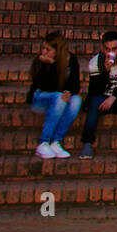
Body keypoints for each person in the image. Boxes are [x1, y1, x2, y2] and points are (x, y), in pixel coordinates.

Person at [80, 31, 117, 159]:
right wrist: (105, 72)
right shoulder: (95, 63)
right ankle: (87, 143)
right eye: (107, 49)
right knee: (94, 102)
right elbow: (94, 91)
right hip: (102, 97)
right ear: (102, 49)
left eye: (114, 49)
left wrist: (113, 97)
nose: (110, 53)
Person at [26, 30, 81, 159]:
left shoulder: (71, 60)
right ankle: (43, 142)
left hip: (59, 100)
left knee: (76, 100)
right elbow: (46, 87)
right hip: (40, 98)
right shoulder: (41, 62)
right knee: (59, 97)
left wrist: (69, 92)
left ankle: (55, 142)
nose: (44, 52)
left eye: (48, 49)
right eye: (43, 48)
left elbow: (75, 85)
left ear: (58, 50)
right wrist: (51, 66)